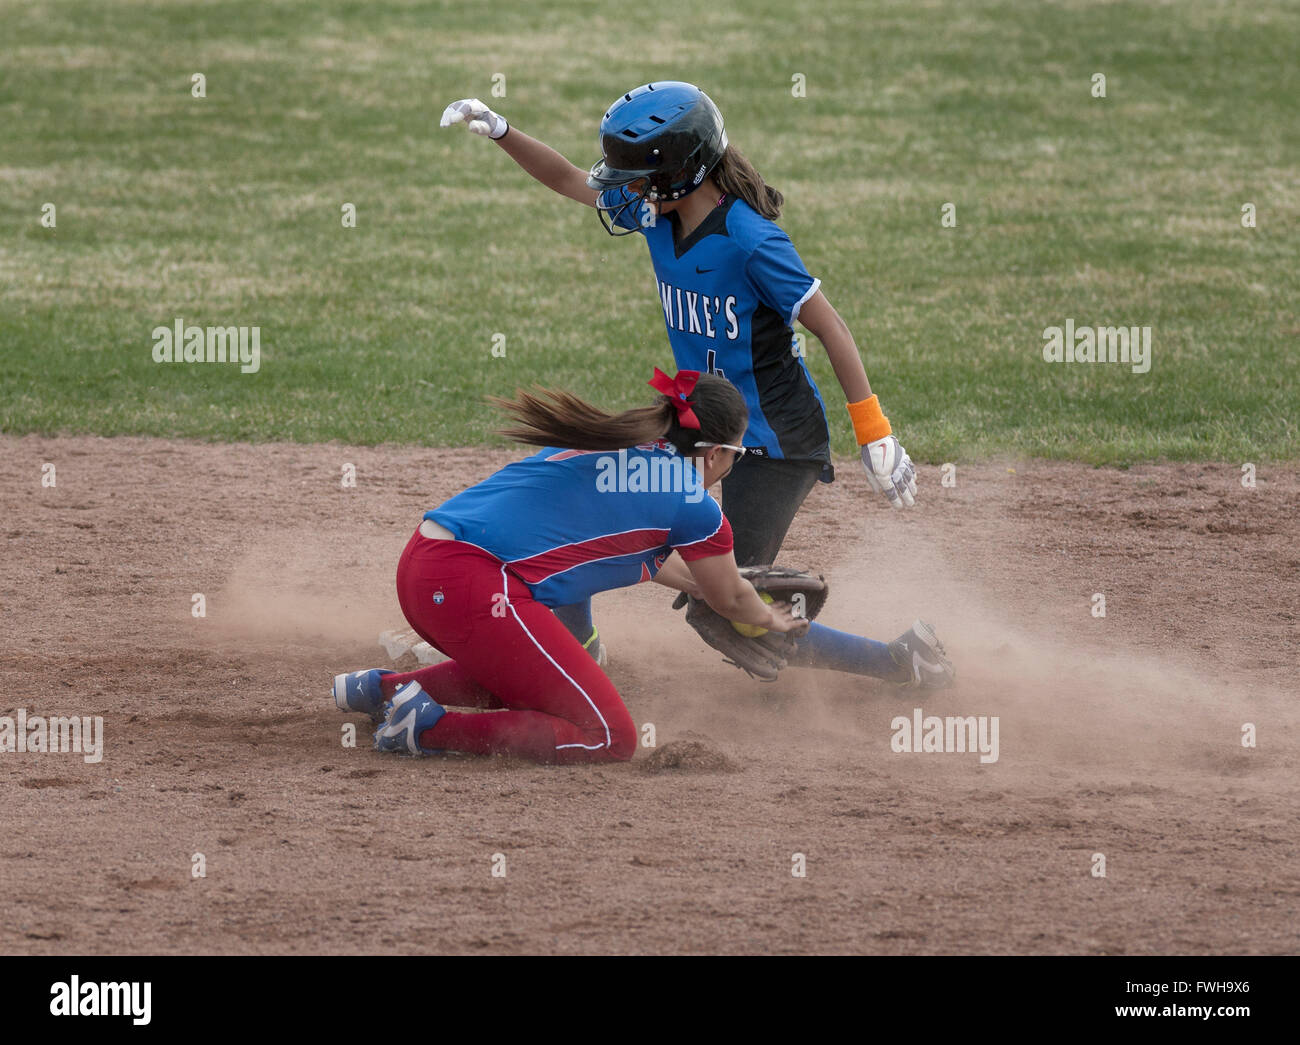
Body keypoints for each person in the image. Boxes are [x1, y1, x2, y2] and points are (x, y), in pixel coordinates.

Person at [439, 83, 928, 684]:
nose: (619, 190)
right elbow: (572, 181)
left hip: (775, 443)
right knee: (582, 506)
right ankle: (579, 647)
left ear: (678, 176)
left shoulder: (751, 241)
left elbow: (830, 326)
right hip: (700, 419)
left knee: (723, 604)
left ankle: (901, 664)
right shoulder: (657, 214)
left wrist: (873, 432)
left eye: (634, 177)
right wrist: (502, 131)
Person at [333, 370, 951, 764]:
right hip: (469, 586)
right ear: (715, 452)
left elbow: (651, 562)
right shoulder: (694, 505)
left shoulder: (617, 446)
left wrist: (727, 594)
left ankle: (378, 690)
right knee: (608, 736)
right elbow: (734, 603)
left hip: (429, 565)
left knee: (544, 669)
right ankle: (425, 731)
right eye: (736, 456)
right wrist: (774, 620)